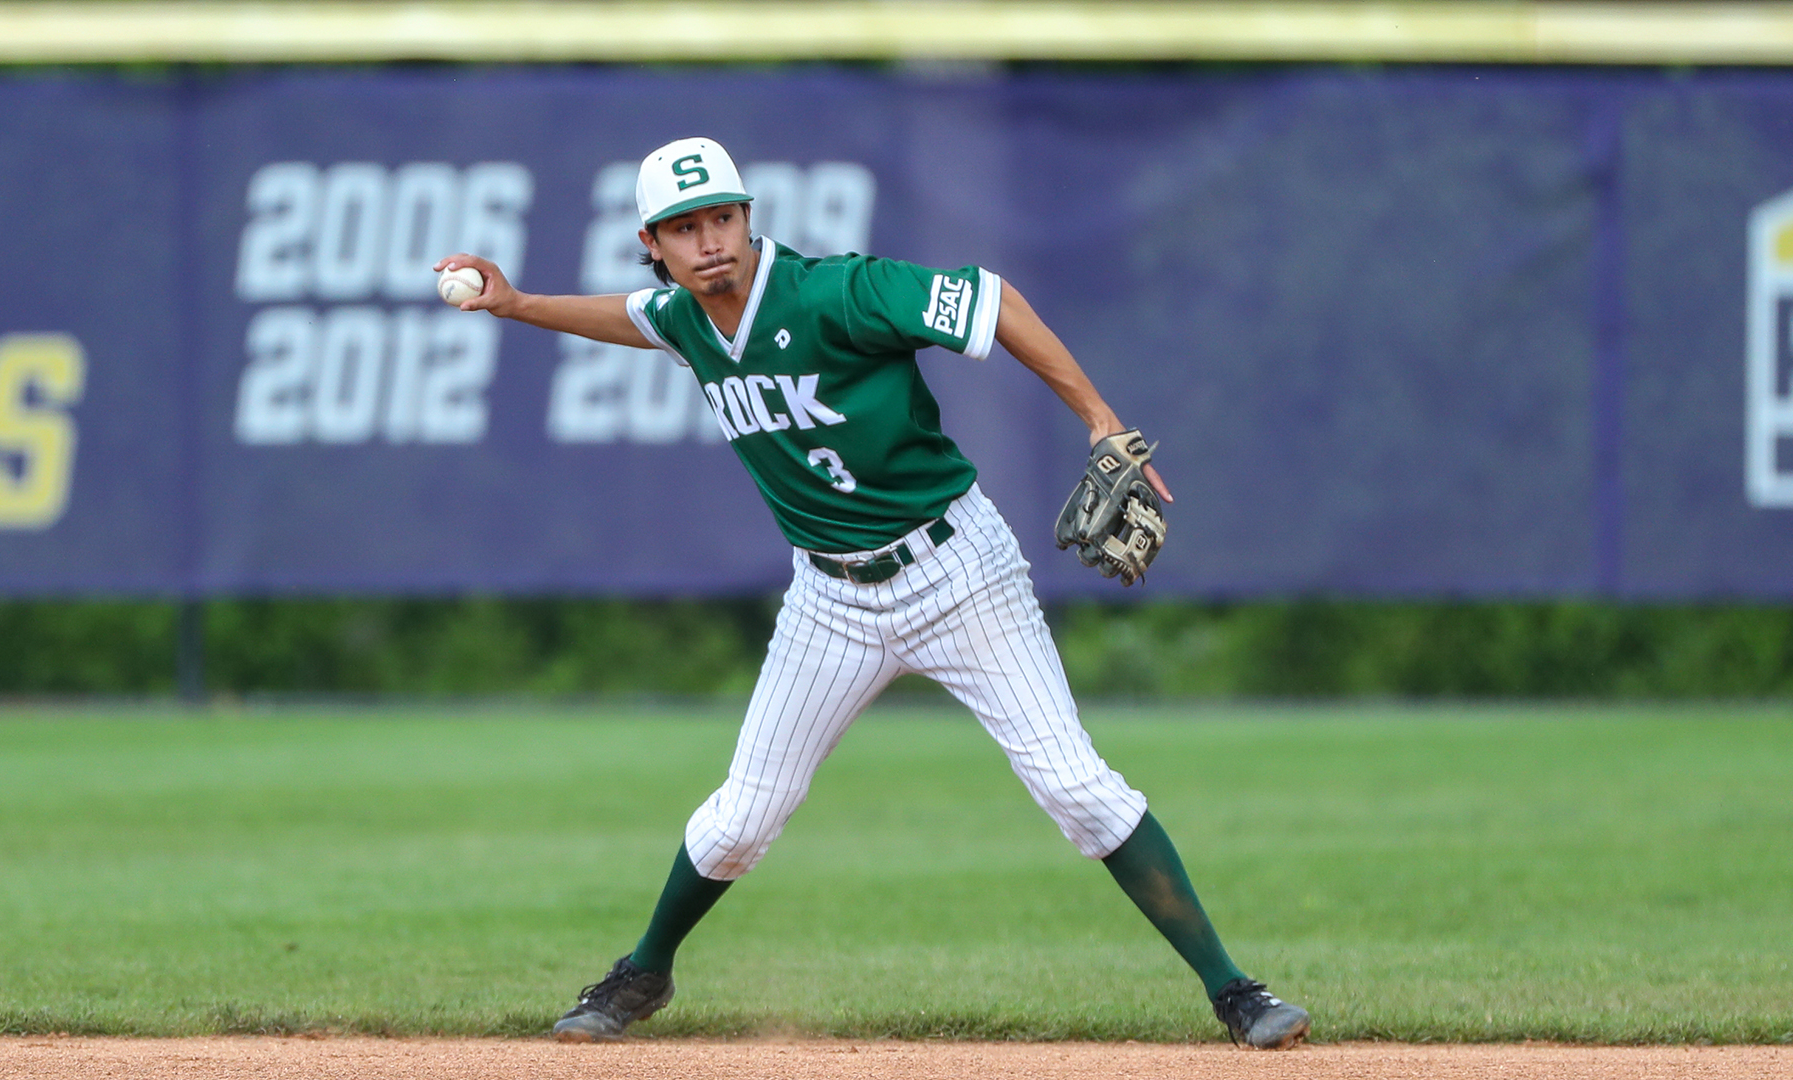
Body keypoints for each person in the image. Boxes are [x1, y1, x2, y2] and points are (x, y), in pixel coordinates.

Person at [434, 136, 1309, 1050]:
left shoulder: (835, 292)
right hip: (831, 600)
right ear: (654, 243)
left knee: (1077, 788)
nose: (710, 242)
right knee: (741, 819)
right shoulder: (688, 317)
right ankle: (642, 973)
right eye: (684, 229)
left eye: (722, 218)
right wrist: (519, 303)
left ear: (747, 216)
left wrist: (1100, 419)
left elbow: (993, 299)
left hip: (957, 570)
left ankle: (1235, 992)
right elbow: (633, 317)